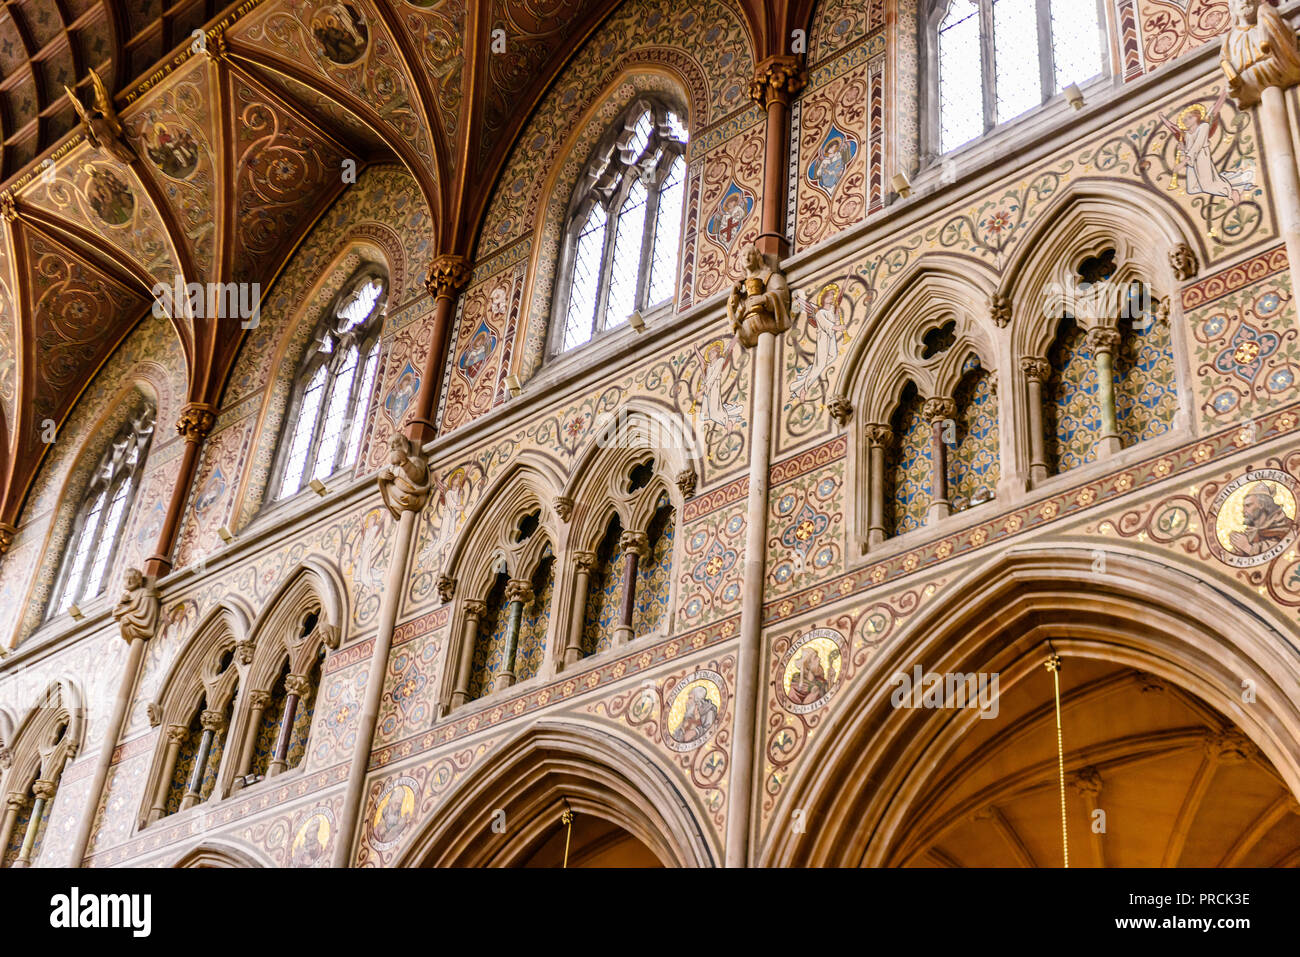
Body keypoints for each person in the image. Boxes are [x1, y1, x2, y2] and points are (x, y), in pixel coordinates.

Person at [1228, 482, 1294, 556]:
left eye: (1248, 505)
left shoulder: (1285, 526)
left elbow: (1283, 552)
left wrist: (1247, 547)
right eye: (1244, 506)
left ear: (1262, 505)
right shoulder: (1250, 532)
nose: (1243, 511)